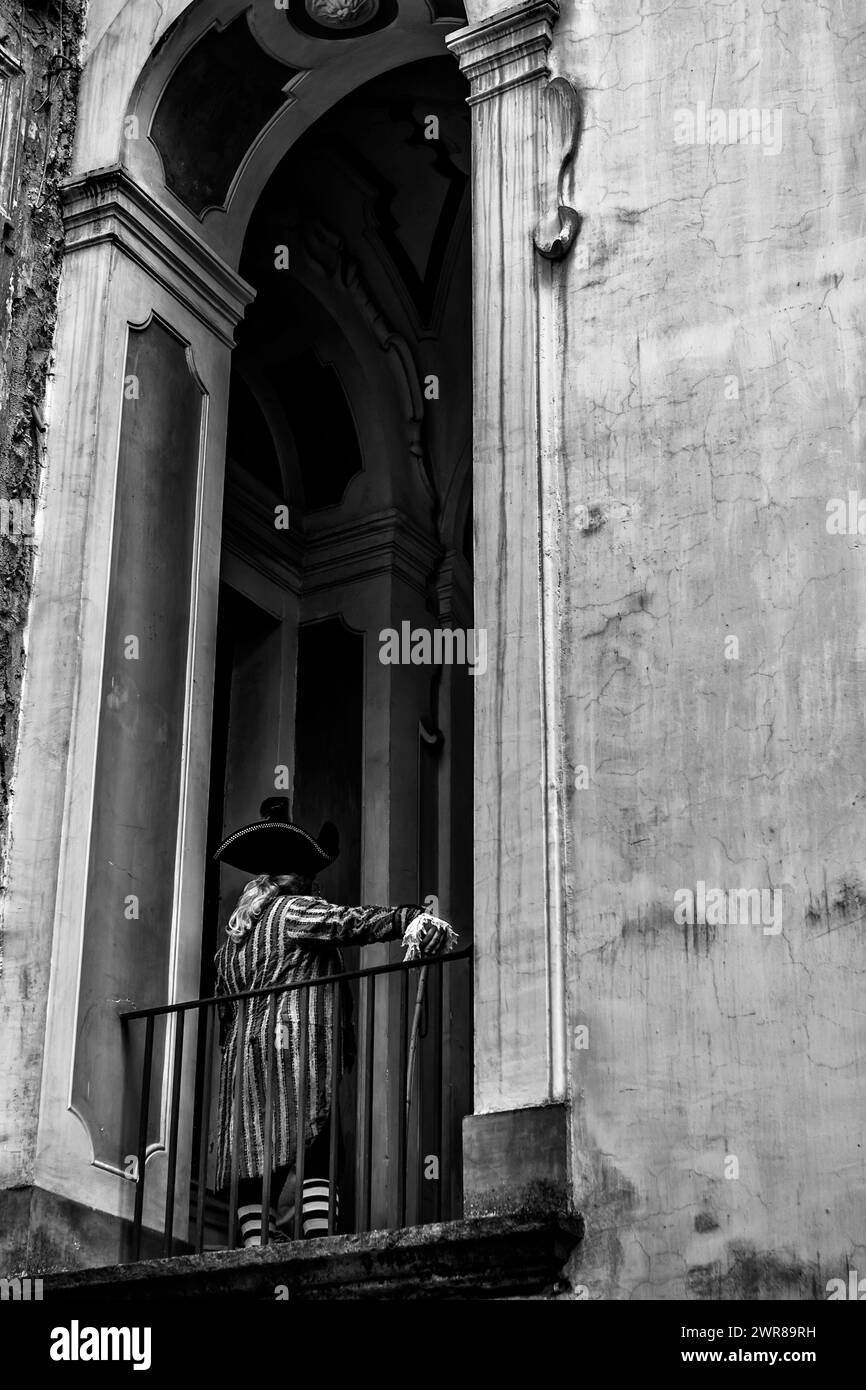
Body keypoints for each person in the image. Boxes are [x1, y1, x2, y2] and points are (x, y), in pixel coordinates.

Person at [212, 796, 455, 1248]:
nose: (316, 886)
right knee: (316, 1141)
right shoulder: (295, 911)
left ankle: (254, 1244)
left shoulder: (232, 943)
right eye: (313, 878)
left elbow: (226, 1014)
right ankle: (319, 1241)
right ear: (301, 880)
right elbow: (349, 923)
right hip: (294, 1047)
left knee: (254, 1152)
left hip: (242, 1061)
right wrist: (410, 919)